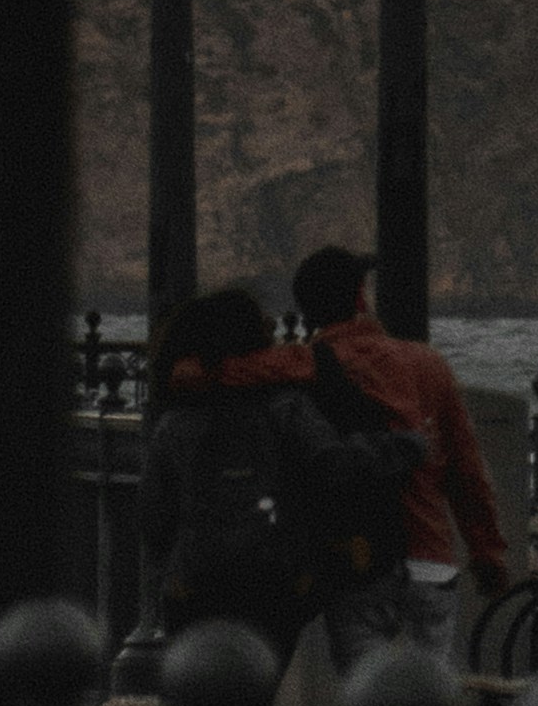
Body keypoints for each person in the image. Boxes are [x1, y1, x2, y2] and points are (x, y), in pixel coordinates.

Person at [140, 280, 421, 674]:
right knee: (255, 701)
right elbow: (333, 466)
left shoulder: (175, 422)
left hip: (195, 583)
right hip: (273, 583)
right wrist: (404, 447)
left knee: (203, 705)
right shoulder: (284, 408)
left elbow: (155, 515)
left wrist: (167, 577)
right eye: (262, 323)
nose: (272, 326)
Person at [286, 243, 505, 652]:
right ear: (359, 298)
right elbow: (465, 468)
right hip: (429, 562)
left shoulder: (304, 368)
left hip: (357, 562)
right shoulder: (427, 364)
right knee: (427, 703)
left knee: (367, 703)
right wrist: (486, 550)